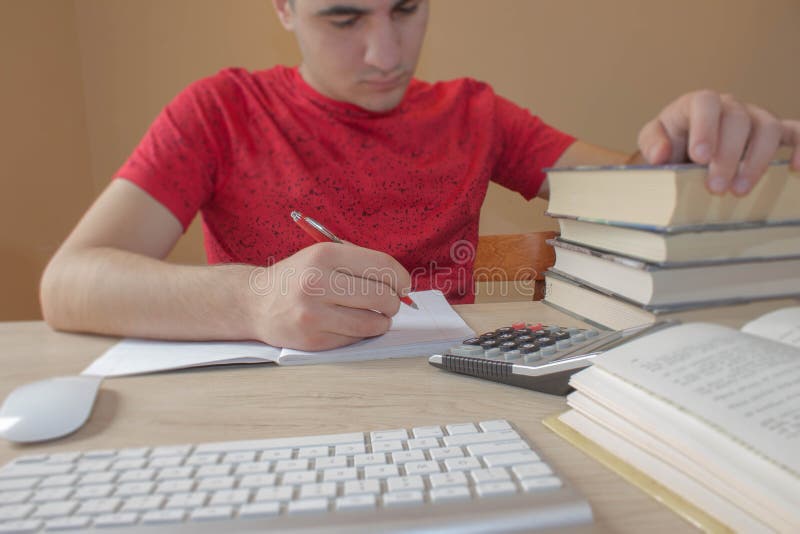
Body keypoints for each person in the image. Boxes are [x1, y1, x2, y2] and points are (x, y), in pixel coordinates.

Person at [40, 0, 799, 351]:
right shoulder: (219, 112)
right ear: (283, 7)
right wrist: (253, 294)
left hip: (461, 393)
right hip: (281, 402)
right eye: (344, 19)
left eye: (406, 8)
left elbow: (634, 198)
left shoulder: (475, 113)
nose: (387, 53)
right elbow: (69, 283)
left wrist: (691, 158)